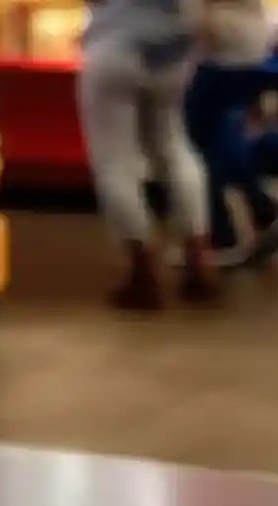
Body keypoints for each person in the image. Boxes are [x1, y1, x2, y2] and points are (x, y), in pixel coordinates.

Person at [78, 0, 216, 310]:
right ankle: (199, 256)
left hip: (115, 46)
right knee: (174, 146)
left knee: (114, 159)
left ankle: (143, 270)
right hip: (172, 52)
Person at [186, 0, 278, 268]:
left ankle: (222, 237)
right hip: (249, 47)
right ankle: (265, 212)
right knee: (219, 137)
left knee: (198, 144)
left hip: (220, 49)